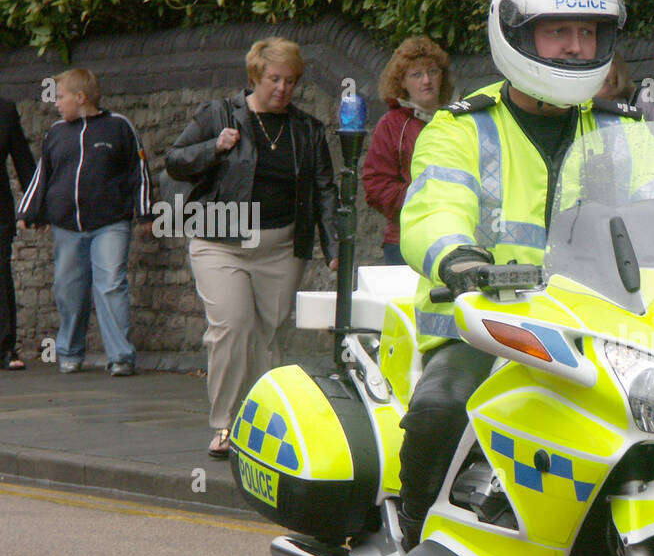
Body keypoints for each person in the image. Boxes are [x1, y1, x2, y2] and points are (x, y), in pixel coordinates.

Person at [384, 0, 645, 556]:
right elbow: (432, 206)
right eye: (557, 31)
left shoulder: (625, 135)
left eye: (587, 35)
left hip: (595, 332)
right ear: (516, 36)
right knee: (443, 406)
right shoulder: (461, 127)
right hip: (482, 330)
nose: (574, 47)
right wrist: (457, 255)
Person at [165, 38, 339, 458]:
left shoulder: (307, 130)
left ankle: (264, 423)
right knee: (232, 326)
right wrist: (214, 147)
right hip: (220, 241)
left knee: (268, 336)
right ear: (256, 76)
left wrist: (332, 245)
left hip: (280, 247)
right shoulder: (219, 114)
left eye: (291, 81)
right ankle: (225, 423)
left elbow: (324, 190)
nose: (283, 88)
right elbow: (174, 159)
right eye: (274, 78)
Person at [16, 69, 149, 376]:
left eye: (61, 97)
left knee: (111, 285)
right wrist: (29, 213)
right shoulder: (56, 132)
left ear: (80, 97)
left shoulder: (119, 127)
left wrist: (145, 212)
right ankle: (70, 352)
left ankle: (121, 357)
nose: (57, 103)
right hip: (67, 225)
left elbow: (138, 170)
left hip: (110, 222)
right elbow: (42, 176)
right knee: (69, 289)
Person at [362, 36, 454, 265]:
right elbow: (376, 186)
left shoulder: (460, 118)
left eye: (433, 71)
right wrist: (425, 198)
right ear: (401, 81)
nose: (426, 81)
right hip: (405, 240)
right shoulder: (392, 124)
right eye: (416, 75)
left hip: (455, 236)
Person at [0, 96, 36, 369]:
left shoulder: (4, 109)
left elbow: (21, 158)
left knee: (1, 274)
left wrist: (36, 205)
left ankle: (5, 347)